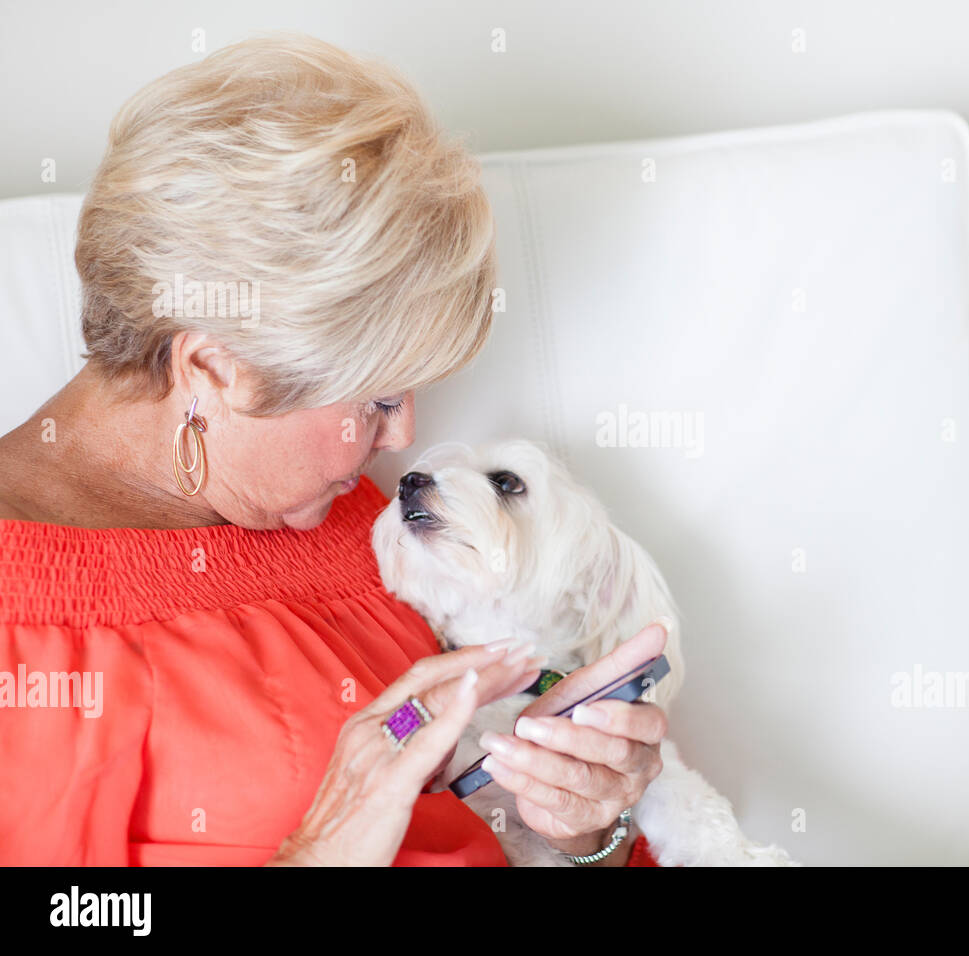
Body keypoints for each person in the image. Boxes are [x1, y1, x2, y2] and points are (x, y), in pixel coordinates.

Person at [0, 33, 665, 867]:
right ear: (212, 367)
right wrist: (316, 854)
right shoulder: (27, 638)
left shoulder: (368, 527)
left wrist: (581, 831)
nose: (404, 439)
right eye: (377, 399)